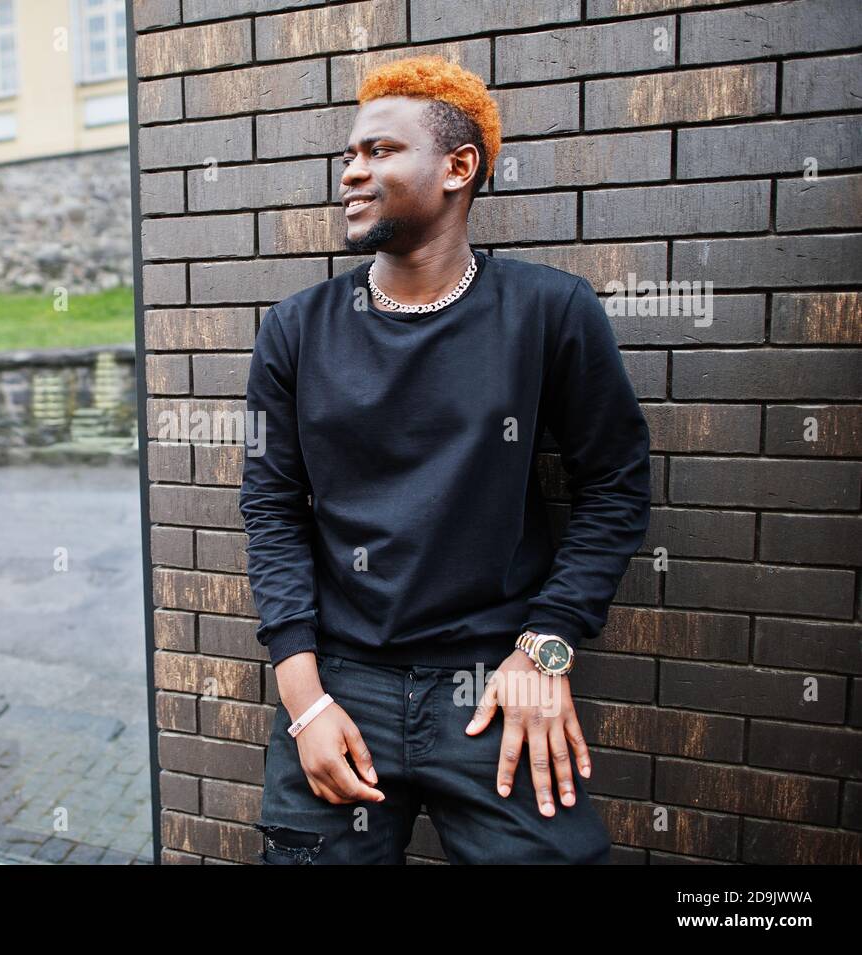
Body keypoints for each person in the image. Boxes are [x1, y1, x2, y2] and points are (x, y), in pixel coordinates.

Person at [239, 55, 652, 864]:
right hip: (339, 687)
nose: (352, 173)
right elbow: (272, 508)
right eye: (350, 154)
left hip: (495, 687)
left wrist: (548, 643)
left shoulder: (548, 312)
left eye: (380, 151)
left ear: (459, 167)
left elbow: (615, 485)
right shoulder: (296, 329)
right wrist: (303, 701)